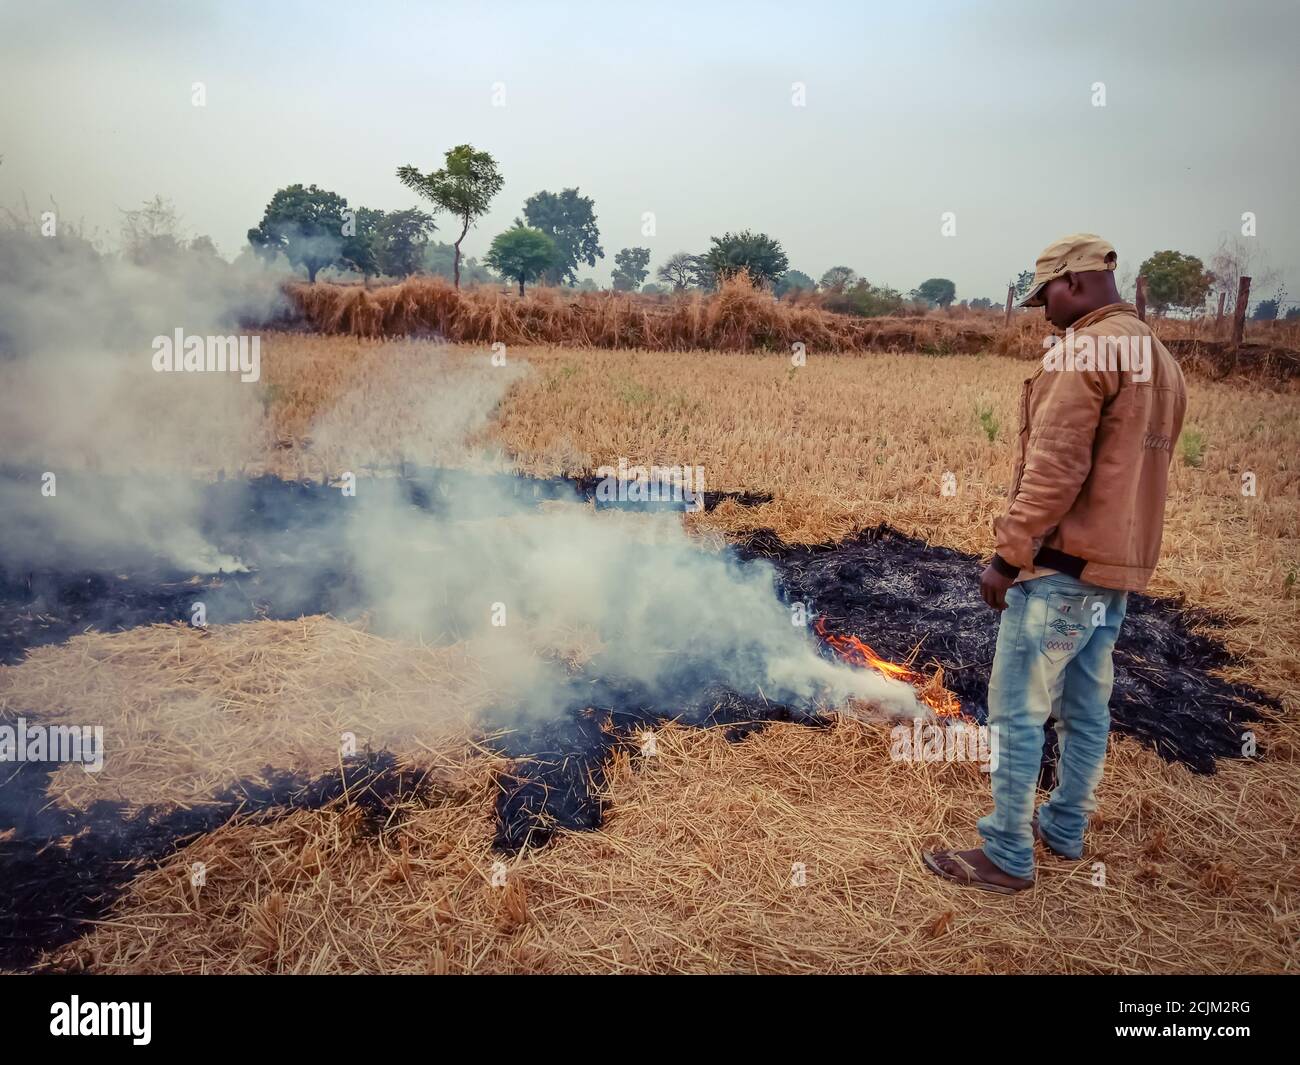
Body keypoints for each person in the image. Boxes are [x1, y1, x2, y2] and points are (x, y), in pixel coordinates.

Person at [924, 234, 1187, 893]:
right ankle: (1065, 826)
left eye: (1047, 297)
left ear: (1073, 283)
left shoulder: (1089, 349)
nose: (1044, 312)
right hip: (1115, 569)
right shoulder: (1159, 356)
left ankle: (1007, 852)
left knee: (1016, 708)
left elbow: (1057, 470)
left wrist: (1007, 557)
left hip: (1063, 570)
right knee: (1084, 702)